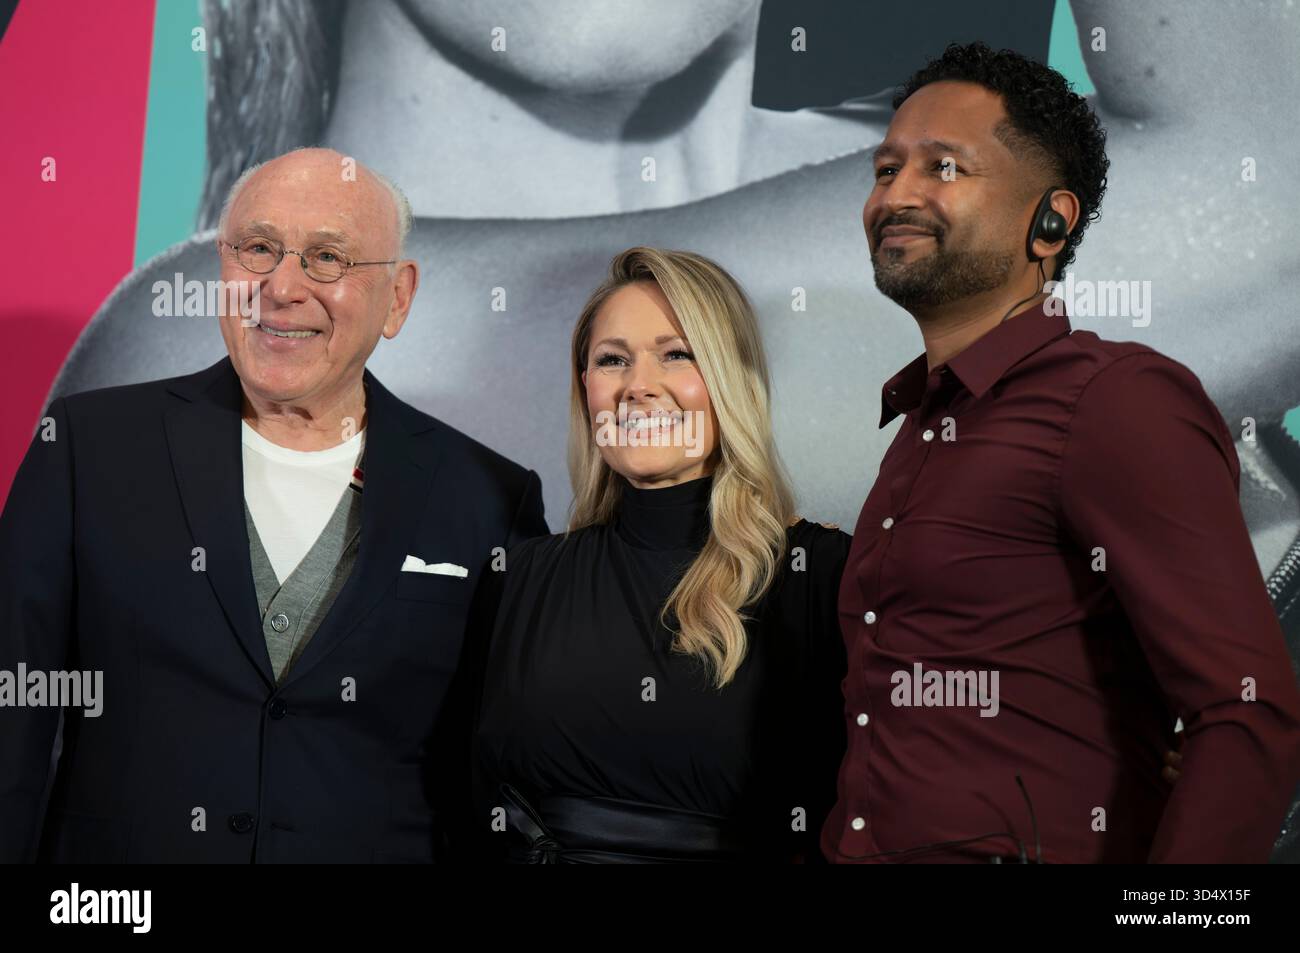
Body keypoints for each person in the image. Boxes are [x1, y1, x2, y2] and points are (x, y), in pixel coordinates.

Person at [823, 43, 1300, 864]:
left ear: (1051, 221)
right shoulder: (915, 427)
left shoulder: (1113, 398)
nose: (896, 195)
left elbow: (1247, 713)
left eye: (943, 168)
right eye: (883, 169)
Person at [0, 148, 547, 862]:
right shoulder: (85, 449)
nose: (280, 286)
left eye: (327, 258)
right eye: (258, 248)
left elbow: (495, 783)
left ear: (399, 297)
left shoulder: (487, 497)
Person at [464, 247, 851, 863]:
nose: (638, 386)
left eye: (677, 354)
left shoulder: (821, 575)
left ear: (730, 376)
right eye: (612, 360)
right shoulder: (521, 578)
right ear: (585, 388)